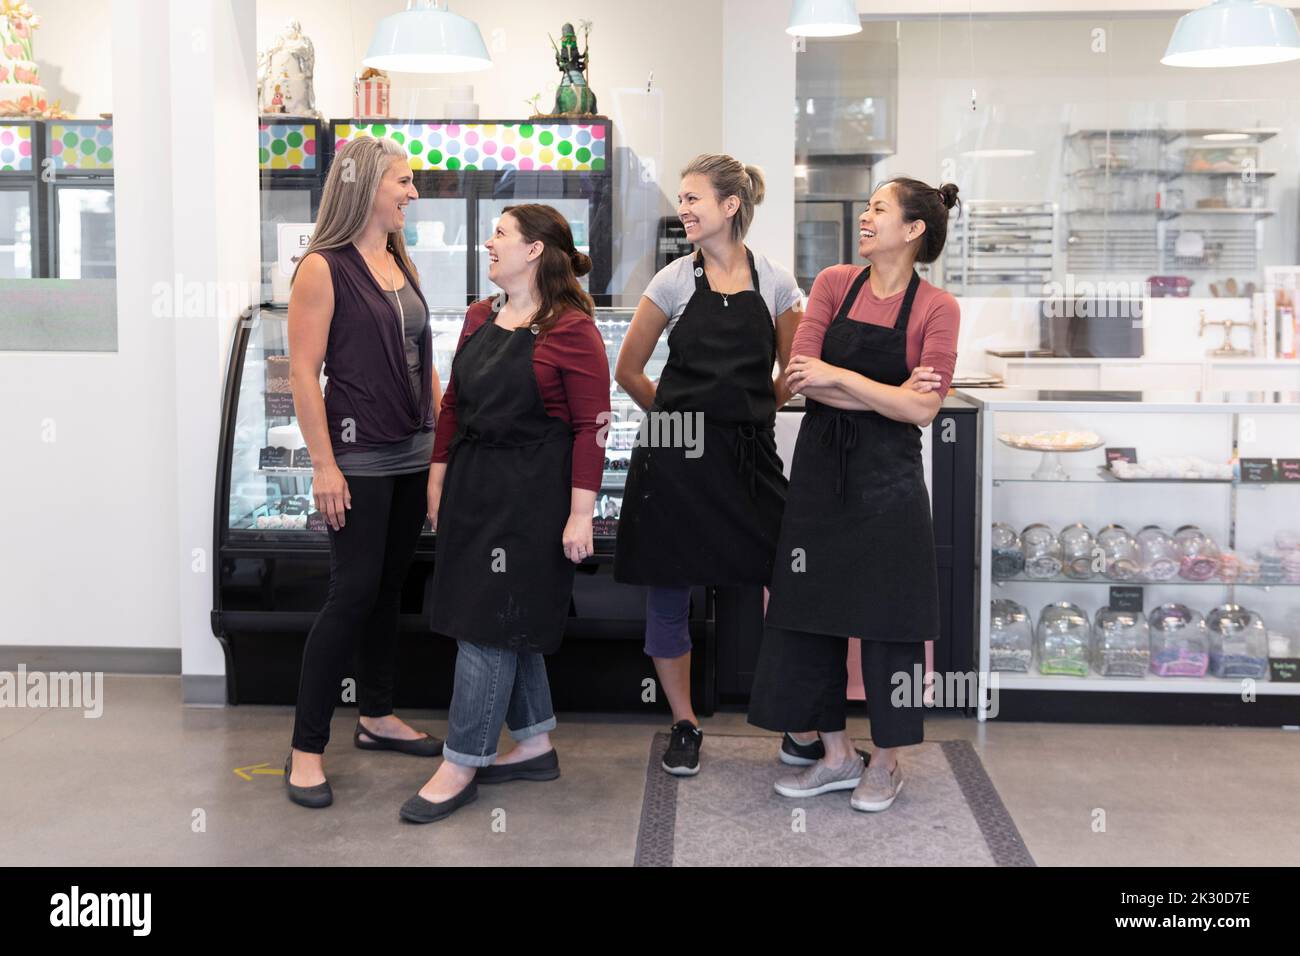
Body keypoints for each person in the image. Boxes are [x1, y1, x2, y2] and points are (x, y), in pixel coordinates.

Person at [748, 177, 962, 813]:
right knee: (812, 614)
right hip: (819, 475)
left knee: (891, 621)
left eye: (878, 209)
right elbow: (800, 379)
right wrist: (886, 392)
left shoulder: (938, 307)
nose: (865, 217)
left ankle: (887, 762)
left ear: (914, 229)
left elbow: (923, 410)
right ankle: (837, 756)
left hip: (889, 482)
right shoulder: (835, 284)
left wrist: (840, 376)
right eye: (867, 206)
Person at [400, 204, 611, 824]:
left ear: (535, 251)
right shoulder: (476, 316)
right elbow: (452, 406)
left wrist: (580, 515)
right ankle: (537, 742)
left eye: (501, 234)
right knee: (496, 616)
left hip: (532, 498)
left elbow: (590, 428)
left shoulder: (571, 330)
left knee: (485, 625)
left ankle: (463, 759)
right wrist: (438, 478)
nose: (488, 244)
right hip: (472, 488)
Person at [613, 154, 802, 776]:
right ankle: (685, 723)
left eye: (694, 198)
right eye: (683, 199)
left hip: (749, 463)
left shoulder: (775, 282)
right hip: (675, 464)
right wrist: (677, 426)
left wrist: (751, 417)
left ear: (730, 206)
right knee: (670, 594)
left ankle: (798, 720)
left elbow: (792, 373)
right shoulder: (671, 280)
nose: (684, 209)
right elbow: (630, 371)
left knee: (794, 581)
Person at [284, 135, 445, 810]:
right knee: (350, 596)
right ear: (364, 188)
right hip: (358, 457)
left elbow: (422, 357)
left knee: (386, 591)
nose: (412, 192)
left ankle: (376, 716)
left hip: (412, 452)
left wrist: (443, 442)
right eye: (402, 182)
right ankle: (305, 750)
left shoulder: (398, 257)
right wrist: (325, 465)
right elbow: (301, 371)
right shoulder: (323, 267)